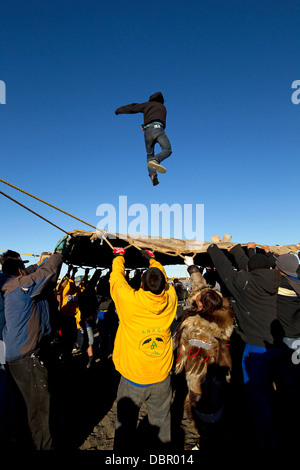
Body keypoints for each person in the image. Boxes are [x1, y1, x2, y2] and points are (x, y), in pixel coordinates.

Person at [207, 243, 282, 452]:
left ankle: (265, 442)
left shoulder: (245, 282)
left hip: (257, 347)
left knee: (258, 396)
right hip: (281, 345)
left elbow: (225, 270)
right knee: (281, 390)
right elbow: (250, 267)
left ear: (250, 269)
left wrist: (214, 248)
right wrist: (247, 252)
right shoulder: (281, 278)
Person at [0, 237, 70, 450]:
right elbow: (43, 273)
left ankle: (22, 441)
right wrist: (58, 255)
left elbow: (36, 271)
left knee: (22, 406)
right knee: (39, 411)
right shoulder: (20, 289)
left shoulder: (7, 284)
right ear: (20, 272)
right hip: (25, 358)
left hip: (14, 355)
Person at [109, 247, 177, 451]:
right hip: (162, 375)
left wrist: (119, 256)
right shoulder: (171, 298)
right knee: (162, 421)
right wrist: (153, 259)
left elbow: (116, 279)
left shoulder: (129, 301)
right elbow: (162, 277)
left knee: (125, 424)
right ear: (164, 286)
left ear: (140, 284)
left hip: (133, 376)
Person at [115, 91, 172, 186]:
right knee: (167, 149)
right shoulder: (163, 107)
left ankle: (152, 175)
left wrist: (119, 110)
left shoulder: (147, 105)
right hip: (158, 129)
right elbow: (157, 116)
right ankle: (156, 160)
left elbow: (133, 107)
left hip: (147, 132)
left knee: (149, 155)